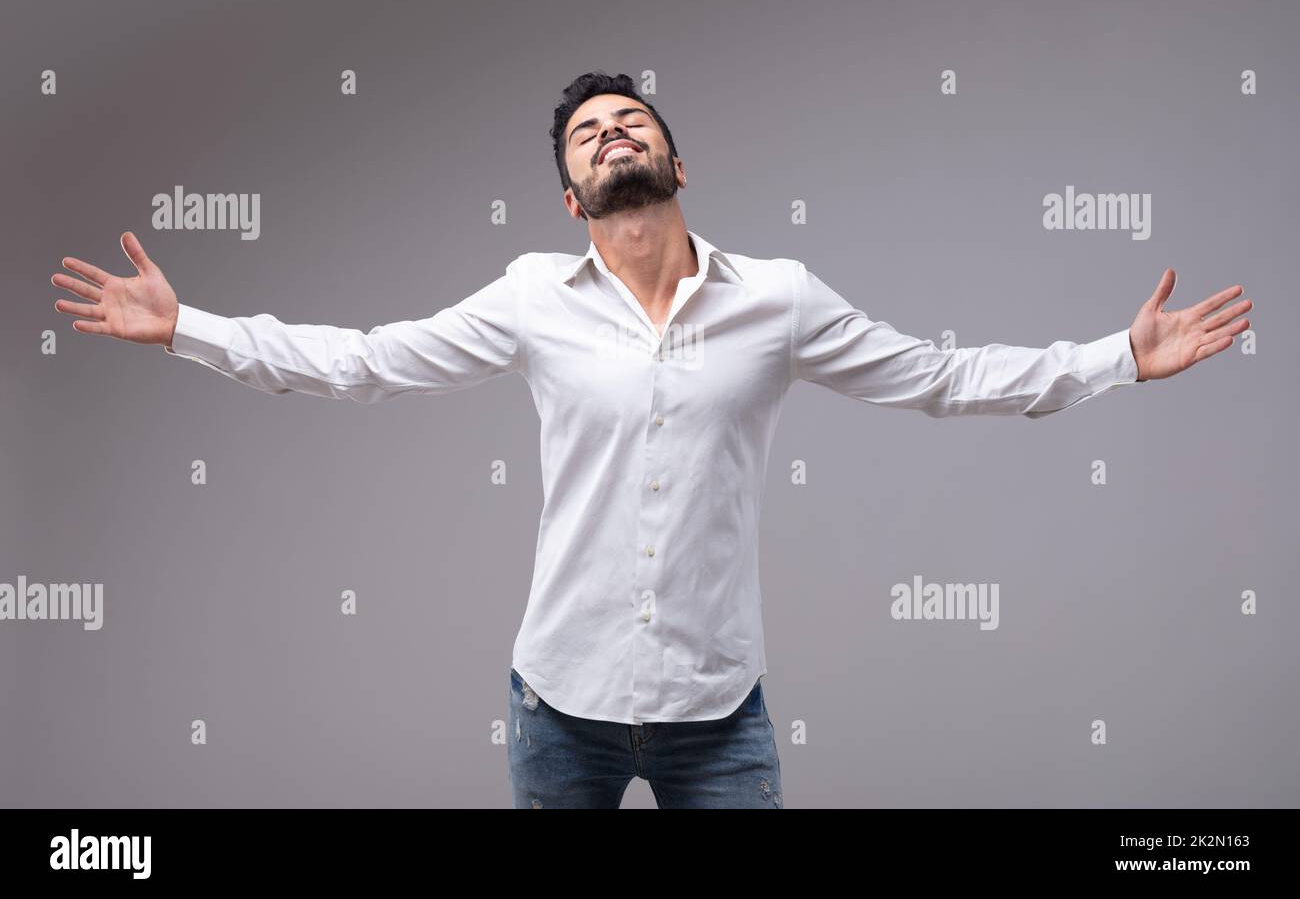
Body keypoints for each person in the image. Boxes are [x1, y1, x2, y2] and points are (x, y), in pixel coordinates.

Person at [50, 71, 1253, 808]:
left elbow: (937, 377)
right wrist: (186, 328)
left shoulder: (777, 296)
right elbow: (363, 360)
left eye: (633, 122)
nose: (613, 133)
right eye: (588, 133)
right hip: (555, 705)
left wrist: (1115, 357)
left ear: (678, 162)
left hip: (717, 716)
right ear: (570, 200)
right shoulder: (532, 294)